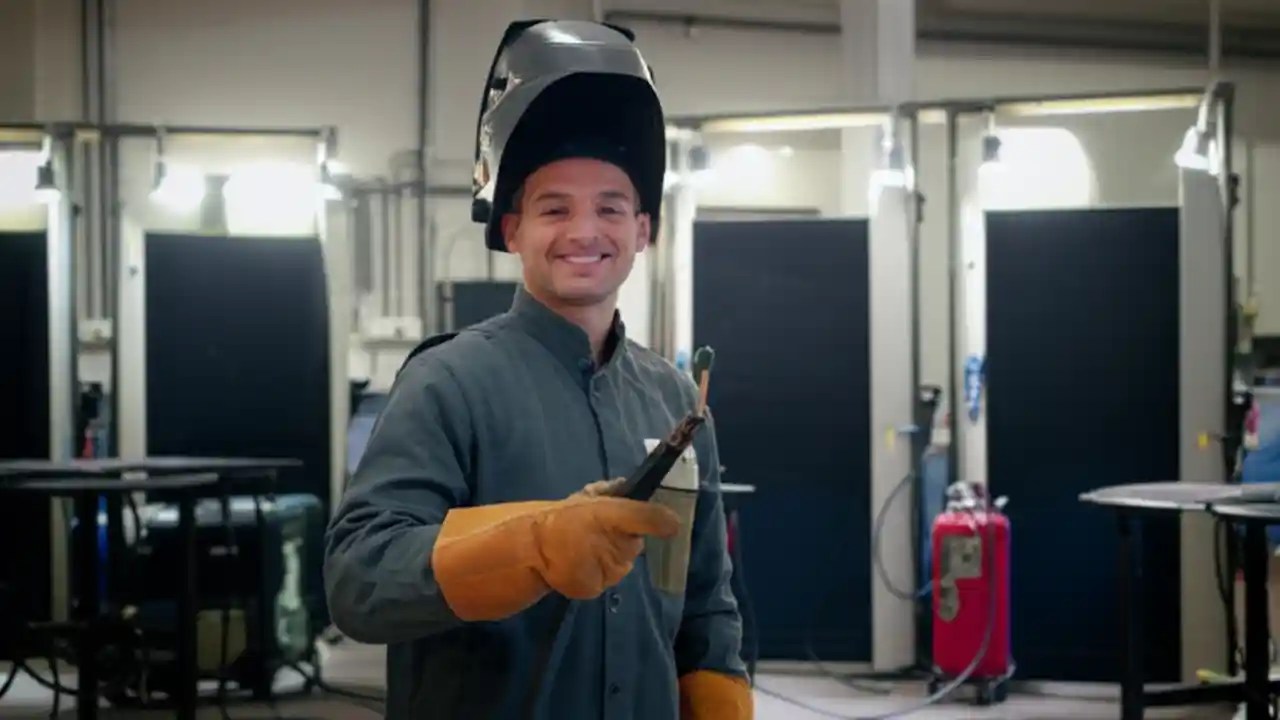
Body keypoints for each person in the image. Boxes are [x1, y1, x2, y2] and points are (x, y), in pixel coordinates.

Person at [323, 19, 753, 720]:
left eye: (610, 208)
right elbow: (359, 581)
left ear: (643, 230)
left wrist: (719, 699)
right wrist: (533, 547)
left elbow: (703, 601)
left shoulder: (676, 400)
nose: (585, 231)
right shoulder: (448, 383)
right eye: (555, 208)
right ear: (512, 229)